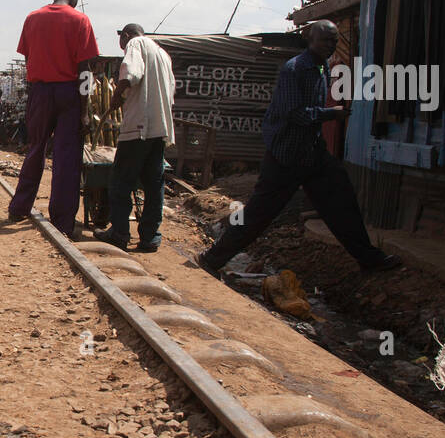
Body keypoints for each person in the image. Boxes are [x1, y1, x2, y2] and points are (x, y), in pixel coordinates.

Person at [197, 19, 401, 275]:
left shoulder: (322, 66)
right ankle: (212, 259)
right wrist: (330, 114)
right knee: (259, 214)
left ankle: (370, 260)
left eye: (335, 41)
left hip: (312, 153)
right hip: (286, 156)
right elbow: (293, 114)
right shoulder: (294, 69)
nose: (331, 45)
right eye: (326, 39)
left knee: (342, 203)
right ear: (309, 39)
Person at [8, 0, 100, 236]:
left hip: (39, 92)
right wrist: (85, 109)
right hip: (69, 93)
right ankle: (62, 221)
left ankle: (20, 206)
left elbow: (29, 58)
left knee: (35, 149)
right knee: (66, 158)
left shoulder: (32, 18)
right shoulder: (80, 20)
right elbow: (85, 69)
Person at [94, 24, 176, 252]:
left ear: (127, 35)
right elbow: (171, 91)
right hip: (159, 129)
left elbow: (131, 73)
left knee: (120, 182)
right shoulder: (162, 54)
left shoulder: (136, 43)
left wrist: (117, 96)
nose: (122, 47)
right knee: (154, 185)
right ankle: (150, 238)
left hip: (138, 127)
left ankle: (119, 232)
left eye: (121, 41)